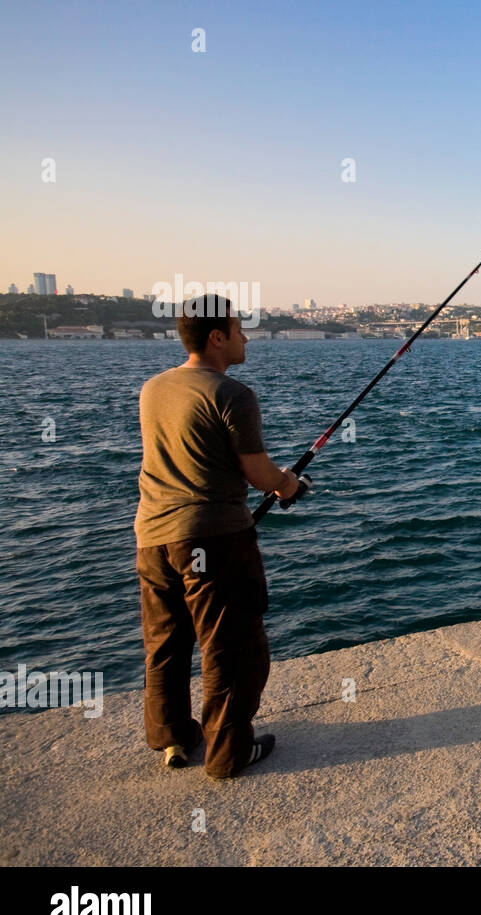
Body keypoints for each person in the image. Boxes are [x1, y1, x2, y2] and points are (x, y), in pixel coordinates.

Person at [134, 295, 307, 778]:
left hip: (152, 537)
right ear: (216, 337)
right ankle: (229, 753)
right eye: (238, 329)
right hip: (211, 540)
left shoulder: (153, 389)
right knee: (231, 645)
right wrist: (291, 485)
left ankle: (172, 735)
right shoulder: (232, 394)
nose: (245, 337)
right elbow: (259, 473)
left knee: (166, 641)